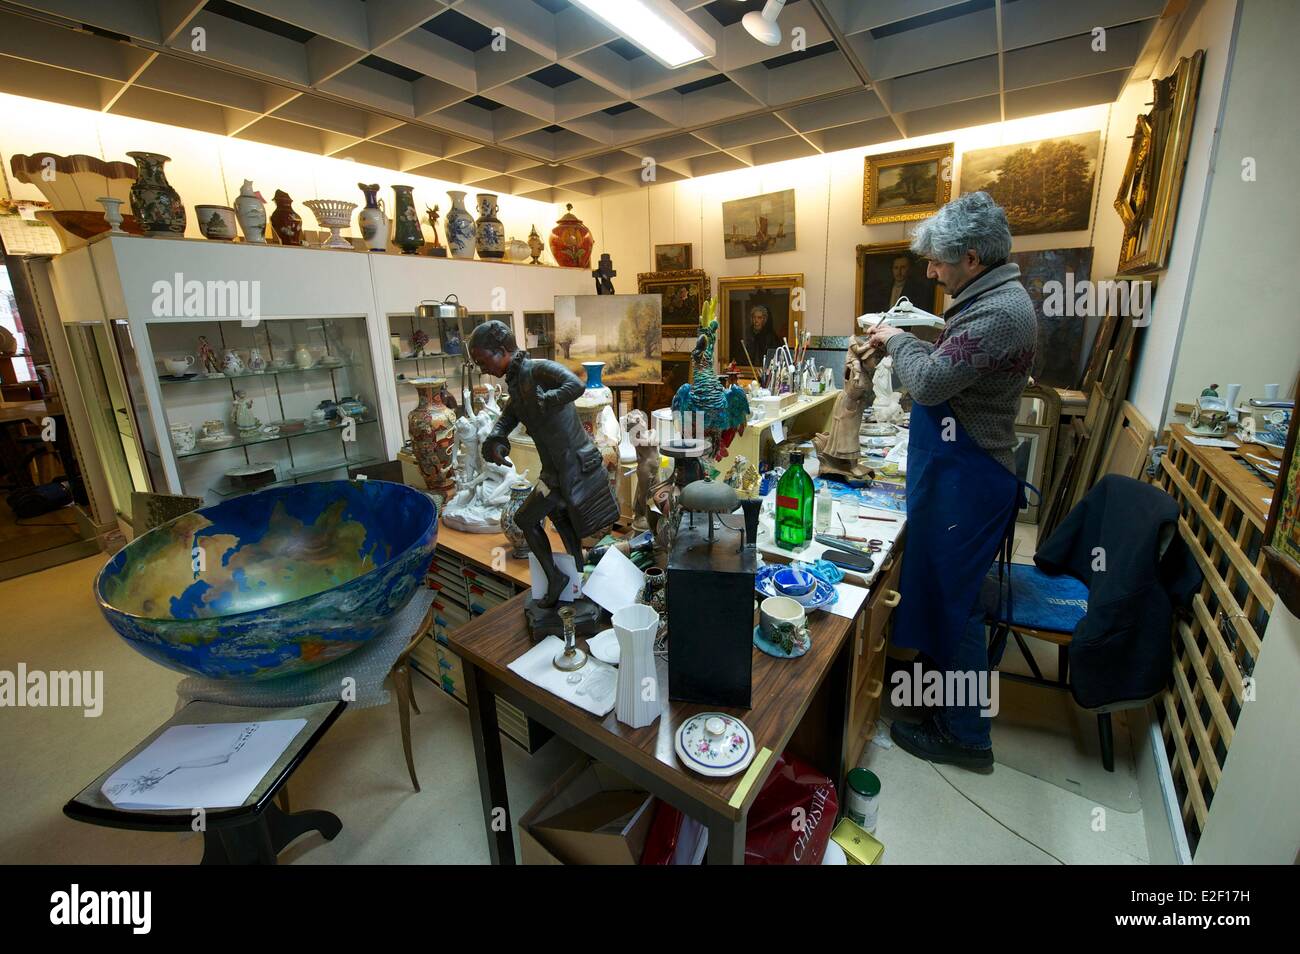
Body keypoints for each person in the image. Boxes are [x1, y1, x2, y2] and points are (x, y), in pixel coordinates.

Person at [866, 191, 1036, 772]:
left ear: (971, 257)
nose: (930, 271)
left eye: (937, 260)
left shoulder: (1000, 312)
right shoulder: (988, 298)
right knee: (943, 594)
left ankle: (967, 737)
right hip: (957, 472)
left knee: (958, 605)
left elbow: (933, 383)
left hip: (970, 476)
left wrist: (897, 338)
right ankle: (941, 703)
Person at [470, 320, 619, 608]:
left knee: (529, 519)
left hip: (574, 468)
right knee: (563, 522)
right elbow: (510, 413)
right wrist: (497, 438)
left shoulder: (536, 369)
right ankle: (574, 577)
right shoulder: (516, 383)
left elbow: (575, 385)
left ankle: (560, 578)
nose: (482, 368)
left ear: (501, 350)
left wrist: (547, 399)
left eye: (482, 360)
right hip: (555, 473)